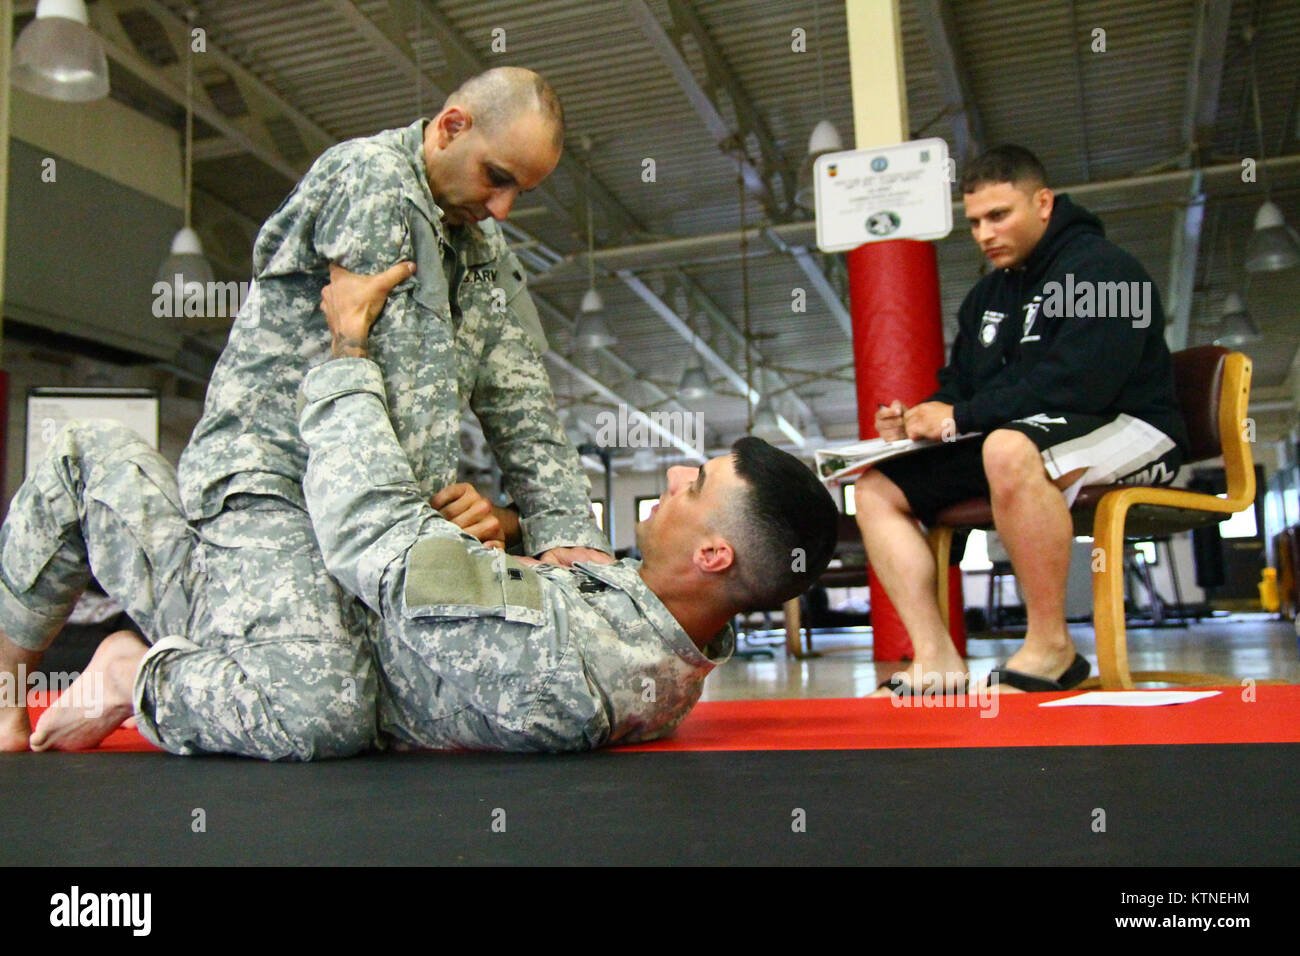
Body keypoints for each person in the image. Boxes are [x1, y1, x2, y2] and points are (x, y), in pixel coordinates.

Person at [0, 67, 608, 756]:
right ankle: (127, 661)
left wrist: (569, 545)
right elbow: (388, 380)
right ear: (451, 126)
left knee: (424, 705)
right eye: (496, 177)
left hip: (371, 523)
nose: (501, 208)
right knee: (323, 710)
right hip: (274, 493)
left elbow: (521, 399)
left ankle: (199, 607)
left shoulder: (480, 249)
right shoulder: (371, 181)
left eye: (518, 192)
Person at [9, 271, 840, 753]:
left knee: (316, 715)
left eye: (697, 486)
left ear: (715, 558)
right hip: (311, 603)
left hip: (311, 619)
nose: (677, 471)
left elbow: (376, 536)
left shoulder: (576, 662)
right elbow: (496, 591)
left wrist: (346, 352)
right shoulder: (664, 623)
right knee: (92, 460)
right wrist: (499, 533)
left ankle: (132, 668)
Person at [855, 144, 1188, 696]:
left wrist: (959, 415)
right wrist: (916, 417)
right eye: (975, 222)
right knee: (876, 489)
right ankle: (936, 657)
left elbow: (1083, 386)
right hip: (1021, 438)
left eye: (999, 215)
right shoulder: (987, 296)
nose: (985, 233)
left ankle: (1052, 647)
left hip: (1133, 427)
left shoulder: (1105, 270)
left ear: (1043, 203)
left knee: (1006, 447)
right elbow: (962, 388)